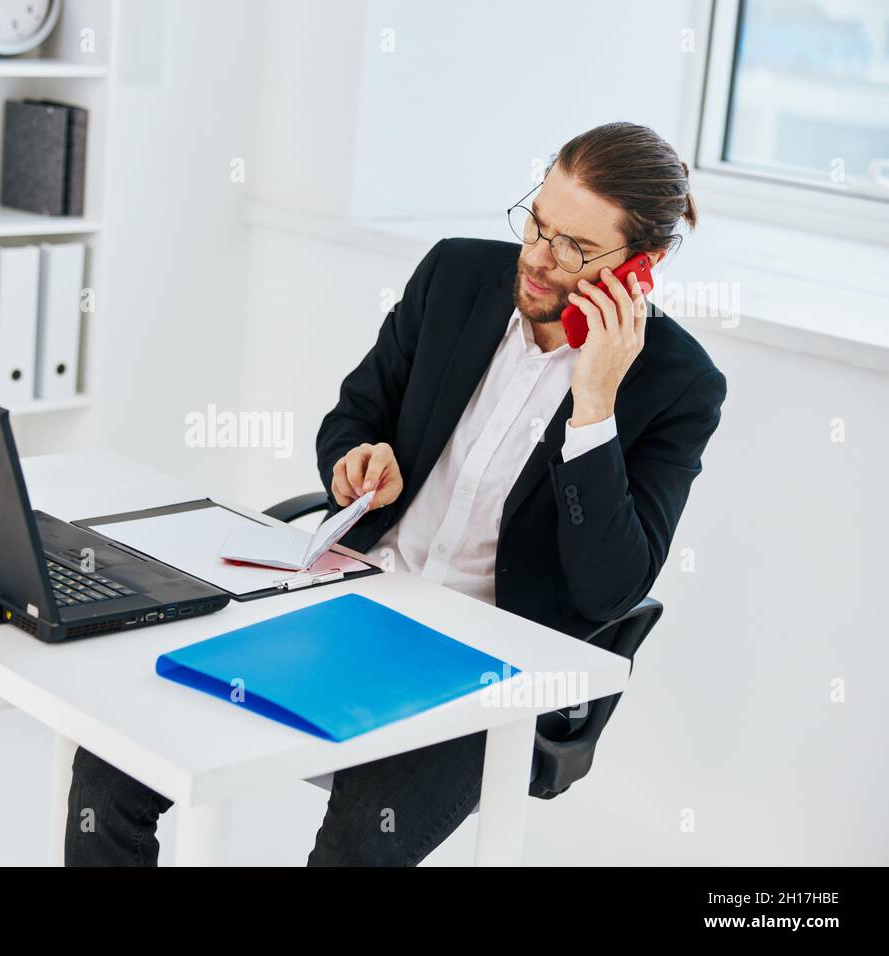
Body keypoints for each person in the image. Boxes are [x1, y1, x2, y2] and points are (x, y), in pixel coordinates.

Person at [66, 122, 727, 866]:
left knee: (356, 850)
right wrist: (353, 457)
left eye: (575, 247)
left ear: (645, 265)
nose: (538, 259)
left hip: (484, 665)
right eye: (537, 223)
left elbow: (610, 589)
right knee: (114, 760)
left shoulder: (678, 386)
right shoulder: (456, 277)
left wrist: (595, 406)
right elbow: (353, 416)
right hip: (350, 603)